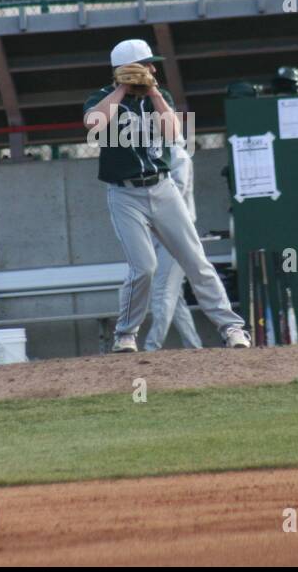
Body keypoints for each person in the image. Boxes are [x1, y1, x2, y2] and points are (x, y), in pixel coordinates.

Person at [83, 39, 251, 352]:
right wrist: (121, 88)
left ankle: (232, 328)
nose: (152, 69)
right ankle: (125, 335)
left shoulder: (159, 97)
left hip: (162, 189)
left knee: (196, 261)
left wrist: (154, 92)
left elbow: (176, 134)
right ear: (127, 69)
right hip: (125, 194)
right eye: (146, 64)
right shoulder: (104, 98)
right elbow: (93, 124)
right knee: (144, 268)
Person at [143, 138, 203, 351]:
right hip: (162, 232)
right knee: (174, 297)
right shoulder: (159, 155)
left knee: (162, 291)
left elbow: (174, 190)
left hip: (177, 233)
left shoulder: (178, 156)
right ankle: (194, 345)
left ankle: (152, 346)